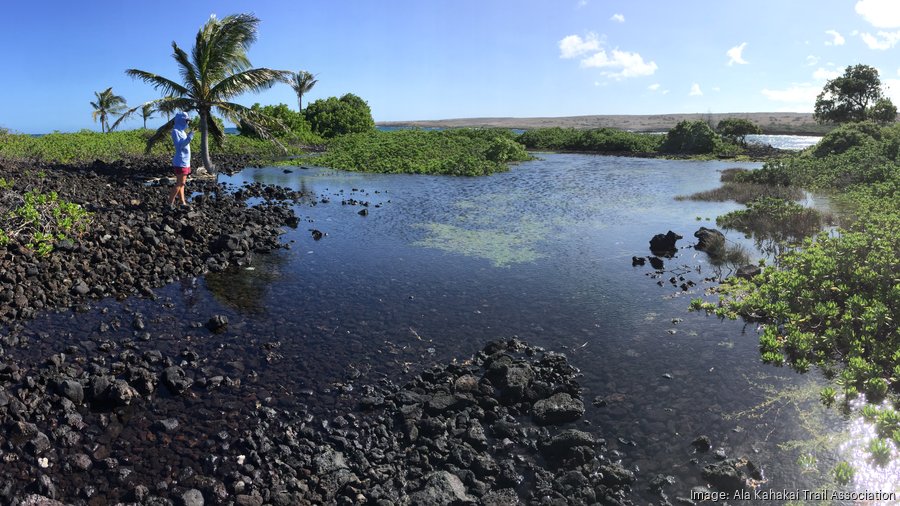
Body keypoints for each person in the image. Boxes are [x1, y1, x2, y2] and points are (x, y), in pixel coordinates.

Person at [169, 111, 194, 208]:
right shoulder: (175, 131)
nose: (187, 123)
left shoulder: (182, 132)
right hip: (181, 161)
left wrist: (188, 137)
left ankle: (182, 203)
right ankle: (169, 202)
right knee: (180, 183)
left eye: (188, 121)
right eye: (186, 121)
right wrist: (189, 138)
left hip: (185, 161)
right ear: (180, 120)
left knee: (182, 184)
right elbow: (179, 146)